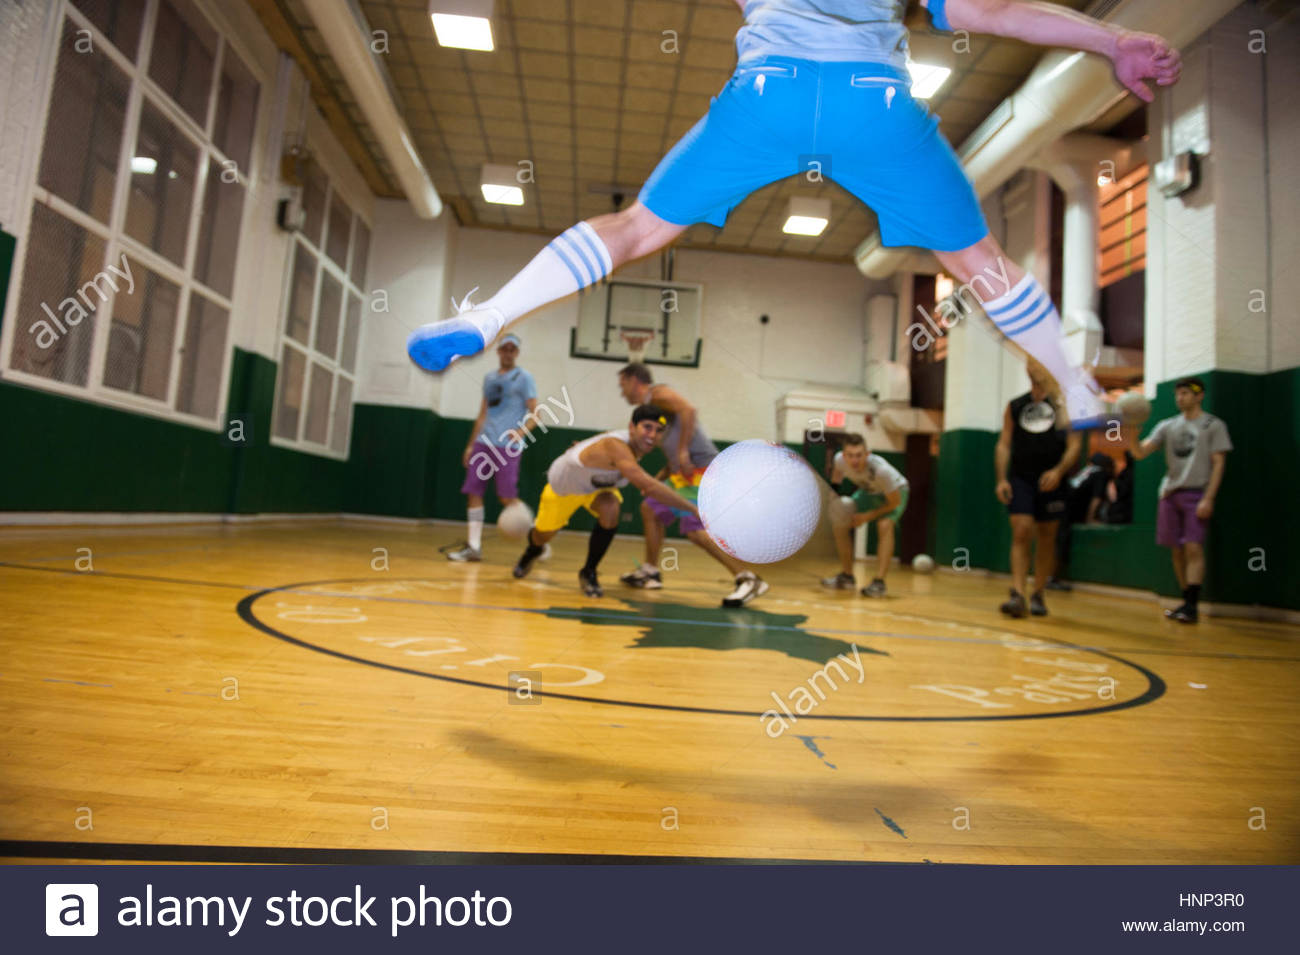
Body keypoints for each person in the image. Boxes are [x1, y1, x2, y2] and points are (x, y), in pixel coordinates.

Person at [406, 0, 1180, 431]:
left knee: (639, 227)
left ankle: (490, 316)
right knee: (976, 258)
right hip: (872, 102)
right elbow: (997, 9)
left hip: (766, 93)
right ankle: (1077, 387)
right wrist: (1111, 41)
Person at [615, 363, 768, 608]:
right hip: (684, 474)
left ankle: (748, 578)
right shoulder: (655, 411)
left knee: (695, 530)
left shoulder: (658, 393)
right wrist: (659, 479)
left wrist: (684, 451)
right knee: (651, 508)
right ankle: (650, 571)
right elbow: (672, 453)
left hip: (703, 470)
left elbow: (689, 410)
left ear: (634, 380)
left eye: (623, 385)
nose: (622, 392)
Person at [512, 405, 701, 598]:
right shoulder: (616, 446)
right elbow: (648, 486)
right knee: (542, 536)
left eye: (659, 430)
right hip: (564, 488)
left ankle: (589, 572)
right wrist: (692, 509)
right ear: (631, 427)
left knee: (611, 508)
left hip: (598, 489)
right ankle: (532, 550)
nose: (652, 435)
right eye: (647, 427)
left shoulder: (635, 443)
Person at [1126, 377, 1231, 624]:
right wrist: (1131, 434)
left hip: (1197, 493)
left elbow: (1219, 463)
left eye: (1185, 393)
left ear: (1199, 395)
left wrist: (1209, 498)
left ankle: (1193, 605)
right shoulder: (1167, 425)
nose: (1180, 397)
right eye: (1178, 394)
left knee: (1194, 547)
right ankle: (1185, 600)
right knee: (1176, 550)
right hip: (1170, 494)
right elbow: (1140, 452)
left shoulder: (1213, 425)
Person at [995, 362, 1082, 617]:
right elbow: (1003, 444)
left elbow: (1075, 445)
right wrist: (1001, 478)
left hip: (1052, 478)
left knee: (1047, 535)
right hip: (1021, 478)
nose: (1034, 366)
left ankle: (1038, 592)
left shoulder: (1066, 405)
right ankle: (1018, 593)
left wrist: (1059, 470)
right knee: (1021, 530)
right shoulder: (1015, 406)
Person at [445, 334, 537, 562]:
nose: (507, 353)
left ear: (516, 353)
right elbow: (483, 413)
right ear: (498, 352)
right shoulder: (489, 379)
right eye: (504, 349)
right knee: (473, 492)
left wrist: (520, 433)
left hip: (508, 447)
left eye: (511, 350)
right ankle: (474, 547)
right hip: (483, 443)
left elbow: (536, 414)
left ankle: (538, 541)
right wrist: (469, 445)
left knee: (507, 497)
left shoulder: (524, 378)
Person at [821, 434, 909, 598]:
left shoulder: (881, 471)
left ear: (867, 454)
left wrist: (867, 516)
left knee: (884, 524)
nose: (854, 460)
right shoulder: (839, 460)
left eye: (859, 455)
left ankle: (879, 582)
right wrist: (832, 500)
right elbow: (837, 477)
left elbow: (893, 503)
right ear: (844, 455)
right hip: (868, 492)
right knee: (839, 518)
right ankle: (847, 577)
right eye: (850, 455)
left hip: (895, 494)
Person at [1047, 452, 1114, 590]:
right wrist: (1091, 518)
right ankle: (1052, 578)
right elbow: (1096, 498)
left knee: (1053, 540)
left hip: (1061, 502)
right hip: (1069, 509)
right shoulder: (1102, 473)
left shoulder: (1087, 470)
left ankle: (1049, 577)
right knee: (1061, 542)